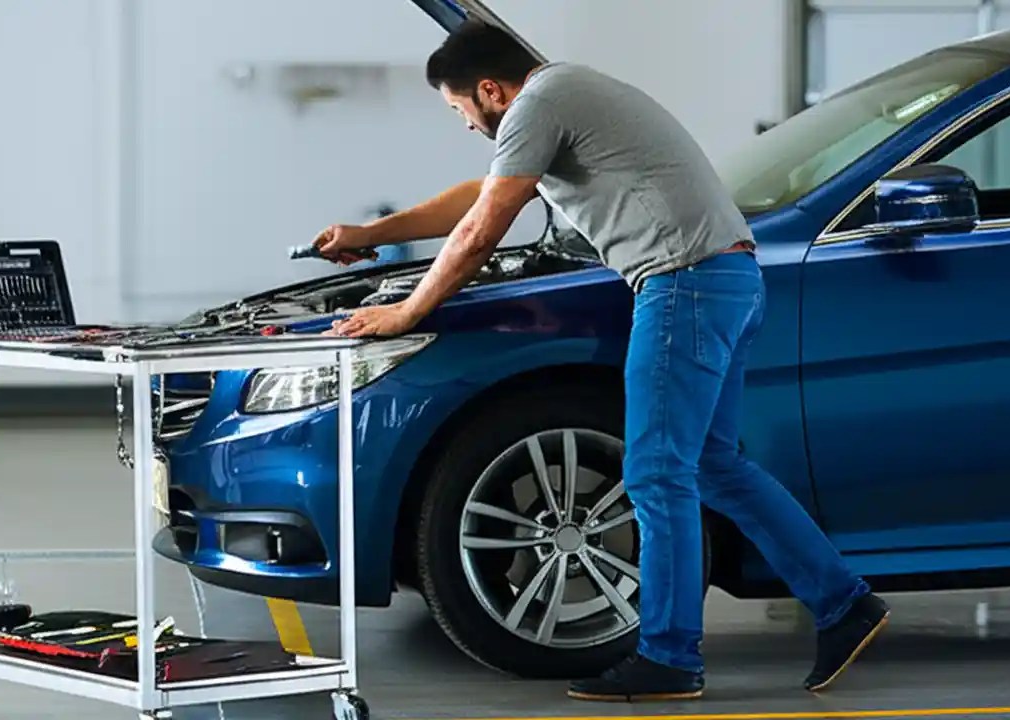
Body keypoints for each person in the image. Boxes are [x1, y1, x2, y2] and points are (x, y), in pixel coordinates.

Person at [314, 19, 889, 701]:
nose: (465, 125)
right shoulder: (562, 95)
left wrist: (407, 311)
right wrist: (375, 234)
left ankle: (670, 657)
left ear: (491, 91)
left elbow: (480, 230)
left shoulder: (540, 104)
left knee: (656, 471)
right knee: (710, 463)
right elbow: (478, 196)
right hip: (726, 281)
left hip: (682, 284)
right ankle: (843, 603)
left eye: (459, 110)